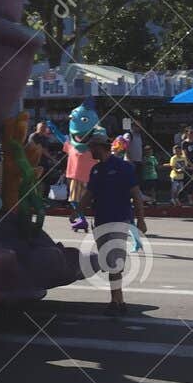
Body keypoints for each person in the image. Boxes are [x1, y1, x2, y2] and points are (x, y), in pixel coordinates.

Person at [84, 131, 146, 316]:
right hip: (100, 222)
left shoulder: (123, 167)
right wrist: (77, 211)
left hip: (120, 221)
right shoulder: (95, 170)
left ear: (100, 147)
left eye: (91, 148)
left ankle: (118, 301)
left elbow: (136, 195)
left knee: (114, 263)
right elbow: (89, 194)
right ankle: (116, 300)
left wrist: (141, 220)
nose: (90, 151)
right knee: (108, 262)